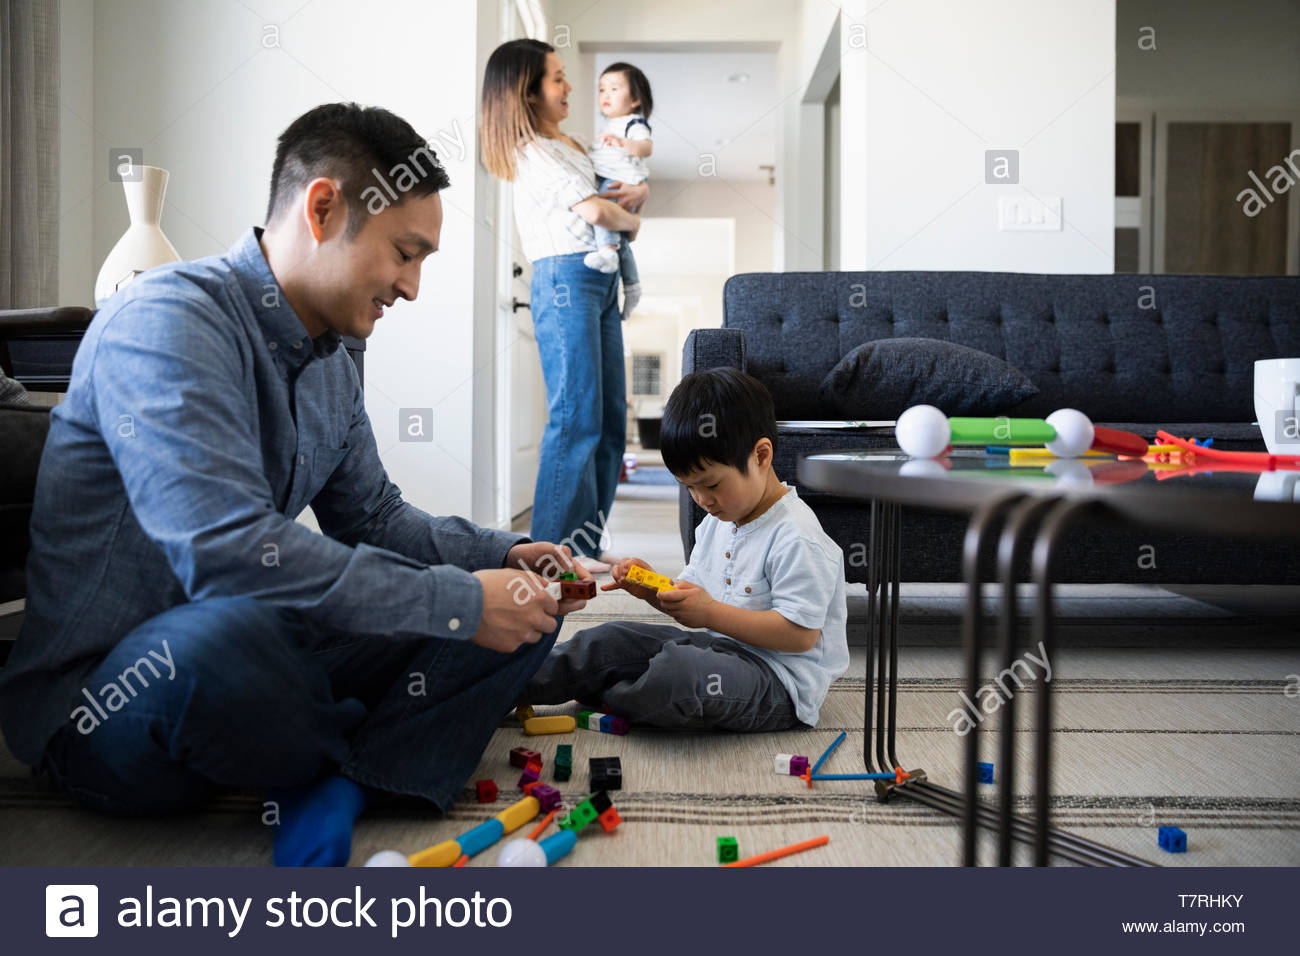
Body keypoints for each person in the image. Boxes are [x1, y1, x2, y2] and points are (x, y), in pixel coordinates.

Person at [0, 102, 593, 866]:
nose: (411, 287)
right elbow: (225, 555)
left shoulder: (332, 365)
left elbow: (376, 517)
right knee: (232, 636)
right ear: (323, 208)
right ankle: (343, 735)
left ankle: (343, 774)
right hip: (112, 697)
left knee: (521, 613)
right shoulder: (165, 321)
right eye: (405, 254)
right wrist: (456, 602)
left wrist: (505, 558)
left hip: (268, 646)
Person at [519, 368, 849, 731]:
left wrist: (710, 614)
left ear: (761, 456)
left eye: (710, 484)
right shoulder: (717, 520)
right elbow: (688, 600)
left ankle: (609, 692)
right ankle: (508, 684)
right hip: (715, 648)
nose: (702, 500)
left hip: (777, 684)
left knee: (679, 675)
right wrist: (651, 589)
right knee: (607, 640)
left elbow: (800, 635)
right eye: (688, 487)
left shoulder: (796, 537)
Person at [480, 39, 649, 572]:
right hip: (563, 278)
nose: (570, 86)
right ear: (526, 93)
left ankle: (585, 543)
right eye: (557, 78)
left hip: (597, 283)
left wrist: (629, 199)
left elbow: (615, 193)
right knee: (576, 415)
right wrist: (632, 218)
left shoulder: (574, 143)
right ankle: (548, 555)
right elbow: (598, 211)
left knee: (610, 414)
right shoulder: (533, 151)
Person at [584, 61, 653, 320]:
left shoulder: (632, 123)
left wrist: (624, 143)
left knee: (601, 207)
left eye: (614, 88)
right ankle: (632, 285)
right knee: (622, 237)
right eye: (602, 90)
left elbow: (646, 148)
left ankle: (608, 253)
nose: (606, 95)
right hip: (612, 178)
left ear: (635, 99)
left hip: (621, 181)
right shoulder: (609, 126)